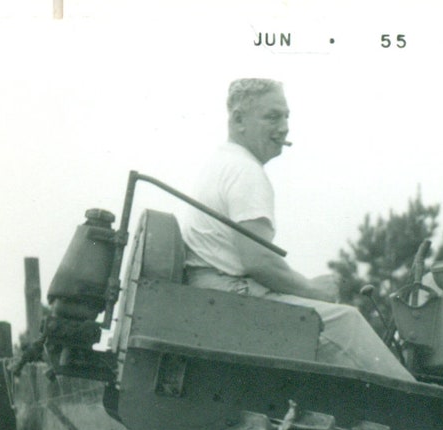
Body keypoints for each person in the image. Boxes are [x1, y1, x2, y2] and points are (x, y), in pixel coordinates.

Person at [178, 78, 415, 382]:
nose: (285, 126)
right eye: (272, 116)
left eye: (286, 116)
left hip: (215, 290)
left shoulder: (223, 163)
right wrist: (312, 290)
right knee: (346, 321)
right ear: (238, 120)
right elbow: (258, 262)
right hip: (230, 295)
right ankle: (426, 416)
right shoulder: (245, 172)